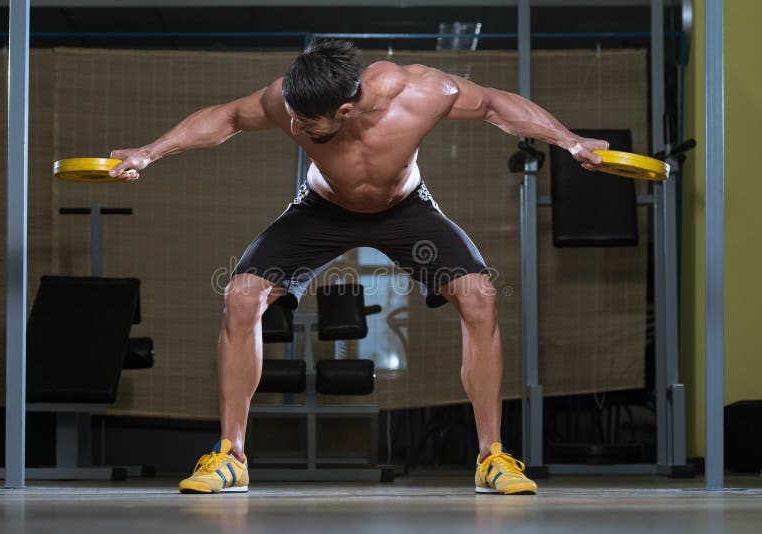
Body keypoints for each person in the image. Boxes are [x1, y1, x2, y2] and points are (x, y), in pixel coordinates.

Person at [109, 39, 608, 495]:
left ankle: (491, 457)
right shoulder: (287, 101)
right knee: (240, 296)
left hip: (404, 209)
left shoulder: (420, 93)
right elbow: (228, 117)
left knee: (479, 296)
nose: (295, 128)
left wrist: (570, 141)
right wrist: (148, 153)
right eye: (292, 118)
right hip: (321, 209)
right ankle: (231, 456)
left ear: (345, 110)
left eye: (307, 123)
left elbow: (495, 104)